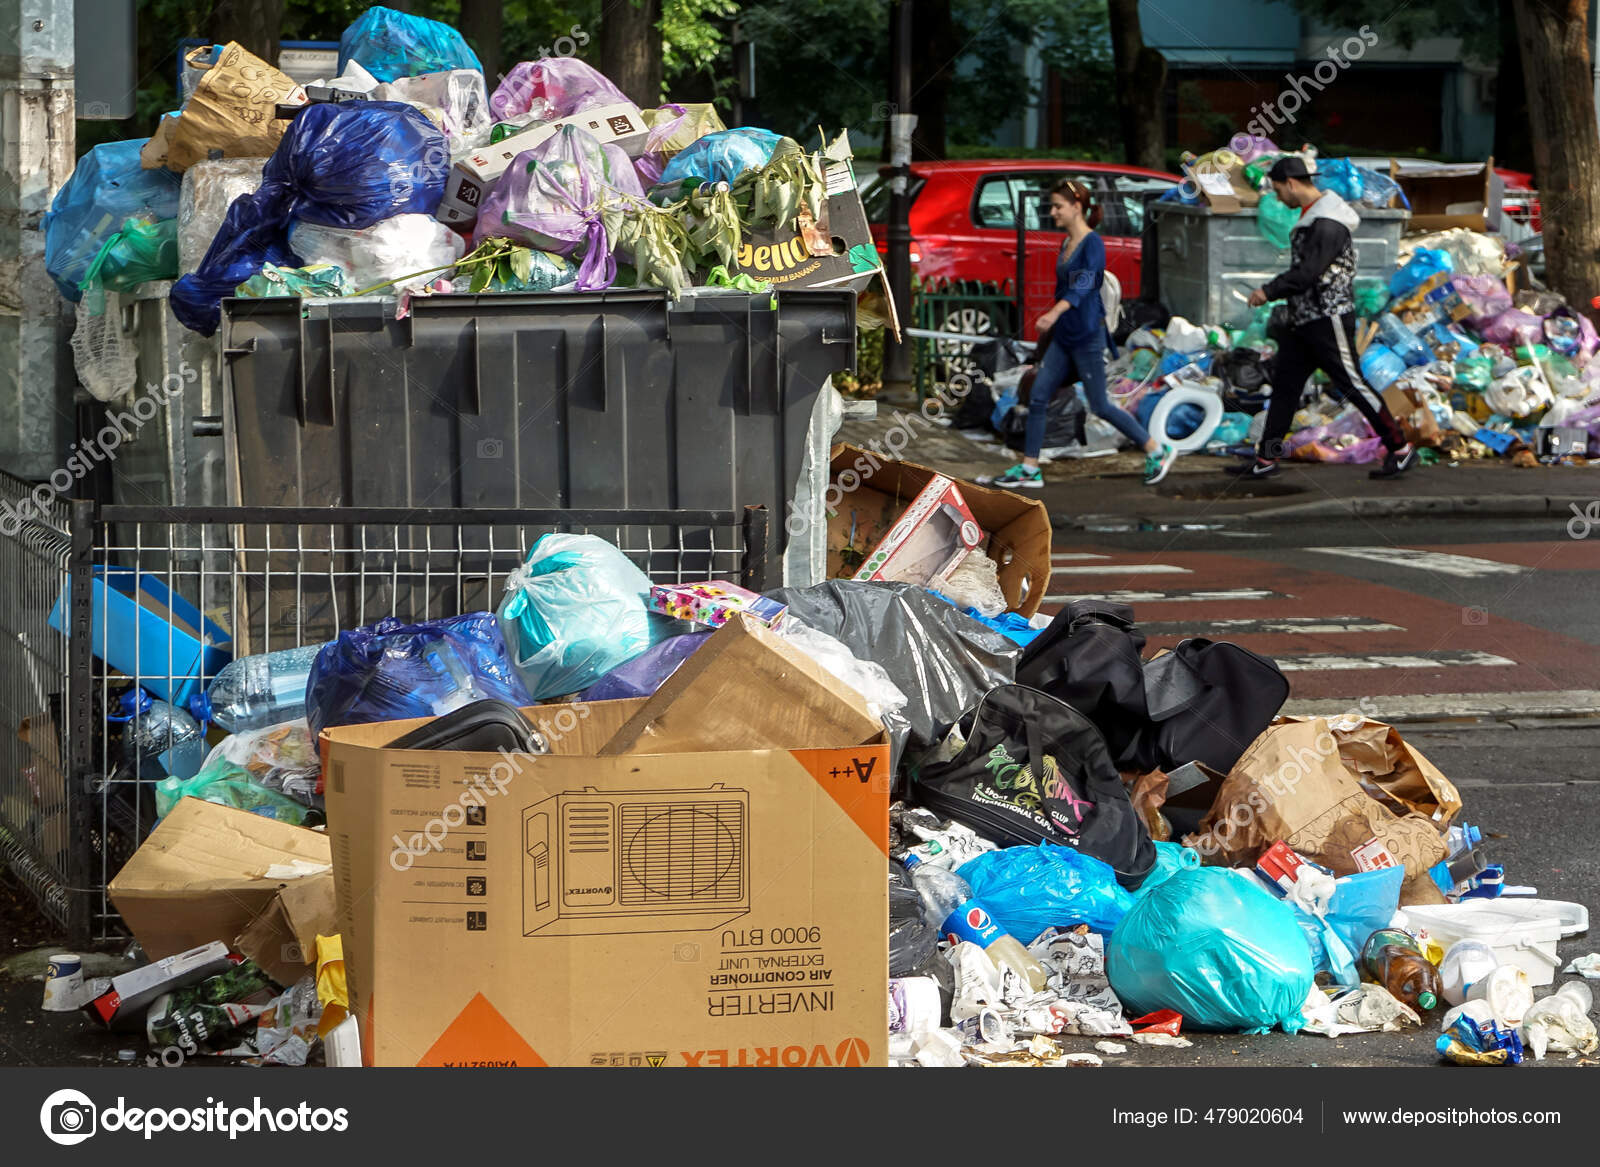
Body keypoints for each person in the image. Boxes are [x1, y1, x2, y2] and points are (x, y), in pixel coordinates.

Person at [988, 178, 1178, 489]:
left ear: (1077, 207)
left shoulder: (1093, 244)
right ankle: (1030, 468)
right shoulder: (1066, 244)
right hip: (1064, 337)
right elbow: (1067, 287)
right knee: (1037, 397)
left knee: (1100, 404)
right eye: (1052, 206)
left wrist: (1054, 312)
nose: (1053, 212)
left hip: (1087, 336)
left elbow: (1084, 285)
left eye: (1058, 206)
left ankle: (1156, 449)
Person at [1234, 156, 1414, 480]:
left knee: (1353, 384)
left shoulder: (1326, 222)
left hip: (1328, 319)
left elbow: (1307, 273)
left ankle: (1400, 448)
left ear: (1291, 183)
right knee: (1285, 388)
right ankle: (1266, 459)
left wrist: (1268, 290)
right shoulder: (1313, 218)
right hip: (1304, 319)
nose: (1277, 198)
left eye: (1277, 190)